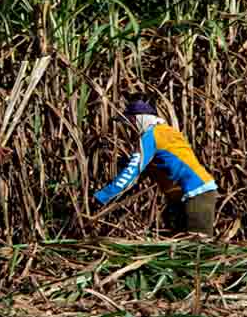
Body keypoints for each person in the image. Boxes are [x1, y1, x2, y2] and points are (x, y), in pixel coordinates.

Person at [92, 100, 218, 234]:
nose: (129, 128)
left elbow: (131, 172)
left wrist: (101, 197)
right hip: (195, 193)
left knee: (197, 247)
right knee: (182, 245)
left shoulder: (151, 136)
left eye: (129, 122)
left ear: (139, 120)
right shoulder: (168, 131)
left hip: (196, 193)